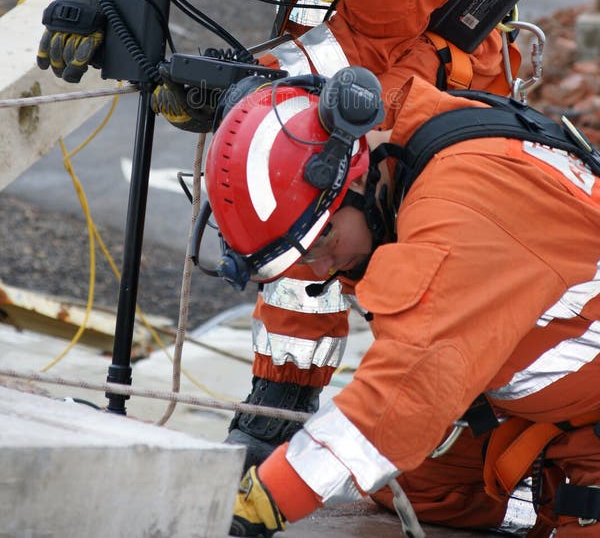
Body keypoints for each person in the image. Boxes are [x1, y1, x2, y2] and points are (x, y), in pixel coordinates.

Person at [35, 0, 522, 467]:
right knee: (289, 204)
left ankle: (481, 418)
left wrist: (242, 88)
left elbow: (377, 45)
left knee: (422, 246)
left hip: (436, 61)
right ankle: (278, 409)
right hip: (324, 17)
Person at [203, 66, 600, 538]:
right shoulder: (398, 151)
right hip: (544, 401)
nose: (321, 268)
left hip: (587, 420)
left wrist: (263, 503)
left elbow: (406, 387)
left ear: (352, 182)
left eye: (320, 243)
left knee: (386, 436)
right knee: (411, 485)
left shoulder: (464, 212)